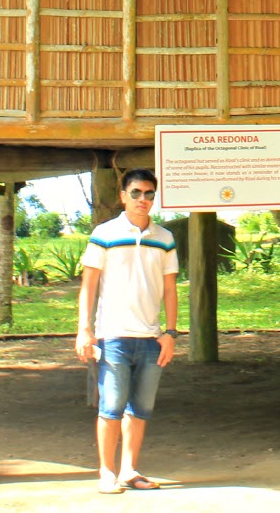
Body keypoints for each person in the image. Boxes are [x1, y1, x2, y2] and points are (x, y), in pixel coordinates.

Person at [76, 168, 180, 492]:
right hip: (113, 336)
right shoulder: (104, 233)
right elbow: (88, 286)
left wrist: (171, 334)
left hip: (151, 338)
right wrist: (84, 329)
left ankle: (129, 470)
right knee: (111, 407)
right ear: (123, 196)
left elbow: (171, 289)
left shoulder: (164, 238)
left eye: (149, 194)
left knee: (141, 409)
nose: (142, 200)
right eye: (136, 193)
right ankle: (106, 473)